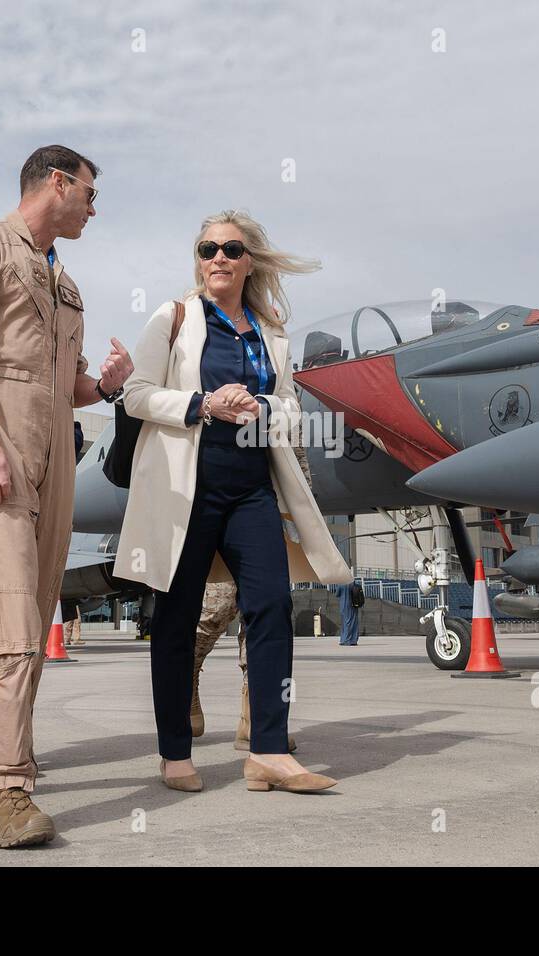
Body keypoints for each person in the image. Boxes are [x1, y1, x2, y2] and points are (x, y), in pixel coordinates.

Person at [0, 145, 132, 848]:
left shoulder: (65, 284)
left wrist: (104, 383)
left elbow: (69, 382)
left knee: (37, 615)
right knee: (9, 619)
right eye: (91, 195)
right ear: (58, 182)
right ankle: (3, 791)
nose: (94, 210)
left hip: (55, 448)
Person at [116, 209, 352, 795]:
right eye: (206, 249)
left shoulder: (271, 332)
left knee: (271, 608)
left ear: (250, 262)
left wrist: (259, 406)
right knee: (175, 619)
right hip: (185, 490)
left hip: (251, 490)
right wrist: (202, 405)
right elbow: (136, 394)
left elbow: (293, 408)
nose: (216, 258)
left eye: (229, 249)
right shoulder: (173, 317)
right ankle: (175, 752)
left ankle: (269, 751)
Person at [191, 443, 314, 750]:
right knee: (219, 605)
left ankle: (254, 717)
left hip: (269, 502)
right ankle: (186, 676)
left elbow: (294, 445)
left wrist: (304, 507)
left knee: (267, 613)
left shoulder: (287, 394)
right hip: (224, 498)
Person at [337, 579, 362, 646]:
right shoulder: (354, 584)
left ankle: (345, 640)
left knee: (345, 623)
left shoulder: (341, 584)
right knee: (354, 622)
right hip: (353, 605)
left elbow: (337, 594)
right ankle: (353, 640)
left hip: (344, 606)